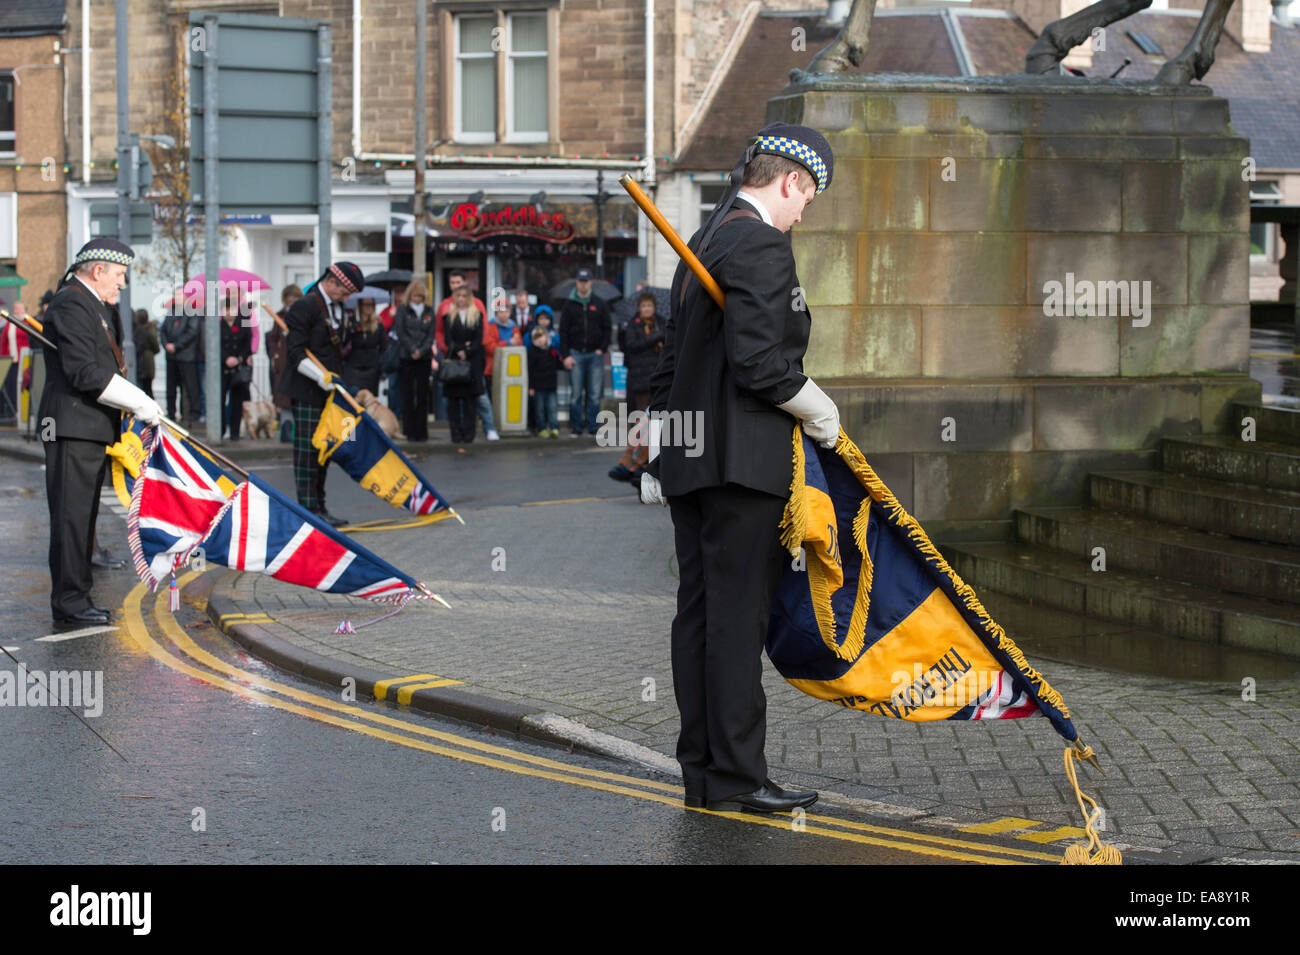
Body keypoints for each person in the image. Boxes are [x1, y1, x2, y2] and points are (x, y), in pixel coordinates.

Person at [641, 123, 840, 814]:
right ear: (791, 181)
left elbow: (668, 364)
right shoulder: (759, 242)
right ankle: (735, 775)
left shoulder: (703, 240)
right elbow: (760, 362)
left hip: (691, 461)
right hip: (743, 463)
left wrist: (654, 447)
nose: (803, 212)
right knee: (735, 621)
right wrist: (818, 408)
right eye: (808, 197)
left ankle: (702, 769)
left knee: (697, 615)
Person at [39, 238, 163, 629]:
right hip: (72, 427)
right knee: (71, 520)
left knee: (83, 519)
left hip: (88, 428)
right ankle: (70, 604)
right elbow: (85, 372)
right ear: (98, 271)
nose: (123, 283)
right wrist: (139, 401)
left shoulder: (95, 305)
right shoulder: (72, 302)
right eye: (120, 275)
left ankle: (78, 598)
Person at [284, 260, 364, 526]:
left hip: (330, 392)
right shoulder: (304, 306)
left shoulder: (339, 308)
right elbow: (295, 353)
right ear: (331, 282)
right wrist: (321, 378)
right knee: (307, 452)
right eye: (344, 291)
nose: (346, 297)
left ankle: (320, 507)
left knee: (324, 452)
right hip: (307, 390)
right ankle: (308, 512)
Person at [609, 291, 665, 484]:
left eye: (650, 306)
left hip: (660, 380)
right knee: (641, 423)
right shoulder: (632, 326)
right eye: (644, 306)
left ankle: (637, 465)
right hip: (640, 381)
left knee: (655, 426)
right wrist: (656, 337)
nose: (647, 309)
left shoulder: (662, 322)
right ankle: (636, 465)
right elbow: (632, 347)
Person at [558, 267, 611, 436]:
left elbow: (607, 328)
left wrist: (601, 349)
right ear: (577, 282)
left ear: (591, 282)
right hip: (576, 354)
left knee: (594, 394)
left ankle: (593, 427)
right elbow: (563, 332)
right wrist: (566, 355)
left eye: (586, 281)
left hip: (594, 355)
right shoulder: (569, 305)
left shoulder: (599, 303)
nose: (583, 284)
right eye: (580, 281)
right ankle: (576, 427)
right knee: (575, 394)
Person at [442, 285, 485, 445]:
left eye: (464, 296)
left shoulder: (477, 315)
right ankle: (456, 434)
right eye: (458, 296)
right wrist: (460, 349)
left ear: (469, 298)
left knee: (470, 402)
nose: (461, 299)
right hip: (455, 363)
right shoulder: (449, 317)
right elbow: (448, 339)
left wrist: (468, 350)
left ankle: (469, 434)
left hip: (471, 363)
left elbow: (478, 339)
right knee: (453, 402)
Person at [397, 279, 436, 441]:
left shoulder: (429, 311)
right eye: (414, 296)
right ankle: (409, 430)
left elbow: (431, 334)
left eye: (420, 296)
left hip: (424, 357)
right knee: (407, 394)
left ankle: (421, 431)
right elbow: (401, 332)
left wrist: (422, 350)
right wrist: (412, 349)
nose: (417, 299)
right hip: (407, 356)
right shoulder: (403, 310)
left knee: (422, 395)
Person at [219, 293, 253, 440]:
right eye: (226, 310)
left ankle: (234, 432)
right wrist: (226, 358)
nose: (229, 313)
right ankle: (219, 431)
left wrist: (239, 358)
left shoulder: (244, 323)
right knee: (220, 400)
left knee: (237, 402)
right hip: (222, 368)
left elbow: (248, 344)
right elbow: (214, 345)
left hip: (238, 368)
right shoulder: (217, 326)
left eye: (231, 309)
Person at [160, 304, 200, 426]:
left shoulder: (191, 313)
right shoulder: (170, 313)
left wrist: (176, 345)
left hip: (186, 357)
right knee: (171, 387)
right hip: (171, 357)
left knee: (189, 387)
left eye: (179, 295)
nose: (176, 297)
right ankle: (171, 413)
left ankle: (192, 415)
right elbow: (163, 331)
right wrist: (166, 344)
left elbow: (191, 332)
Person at [344, 296, 385, 395]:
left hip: (372, 367)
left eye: (371, 305)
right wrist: (352, 327)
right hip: (354, 367)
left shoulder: (378, 324)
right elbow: (345, 342)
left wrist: (380, 364)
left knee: (369, 399)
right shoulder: (352, 322)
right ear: (360, 306)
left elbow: (384, 346)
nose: (369, 307)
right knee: (354, 395)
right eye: (366, 304)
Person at [526, 325, 561, 438]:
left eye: (541, 336)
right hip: (538, 386)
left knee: (552, 408)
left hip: (551, 385)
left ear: (546, 337)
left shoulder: (553, 351)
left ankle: (554, 428)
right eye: (536, 338)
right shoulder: (532, 353)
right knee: (539, 409)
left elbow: (558, 364)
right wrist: (530, 387)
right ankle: (541, 428)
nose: (540, 340)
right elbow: (530, 371)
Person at [133, 308, 160, 399]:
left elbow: (156, 347)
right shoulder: (149, 330)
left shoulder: (141, 331)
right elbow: (156, 348)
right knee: (147, 388)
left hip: (144, 363)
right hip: (147, 363)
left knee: (145, 388)